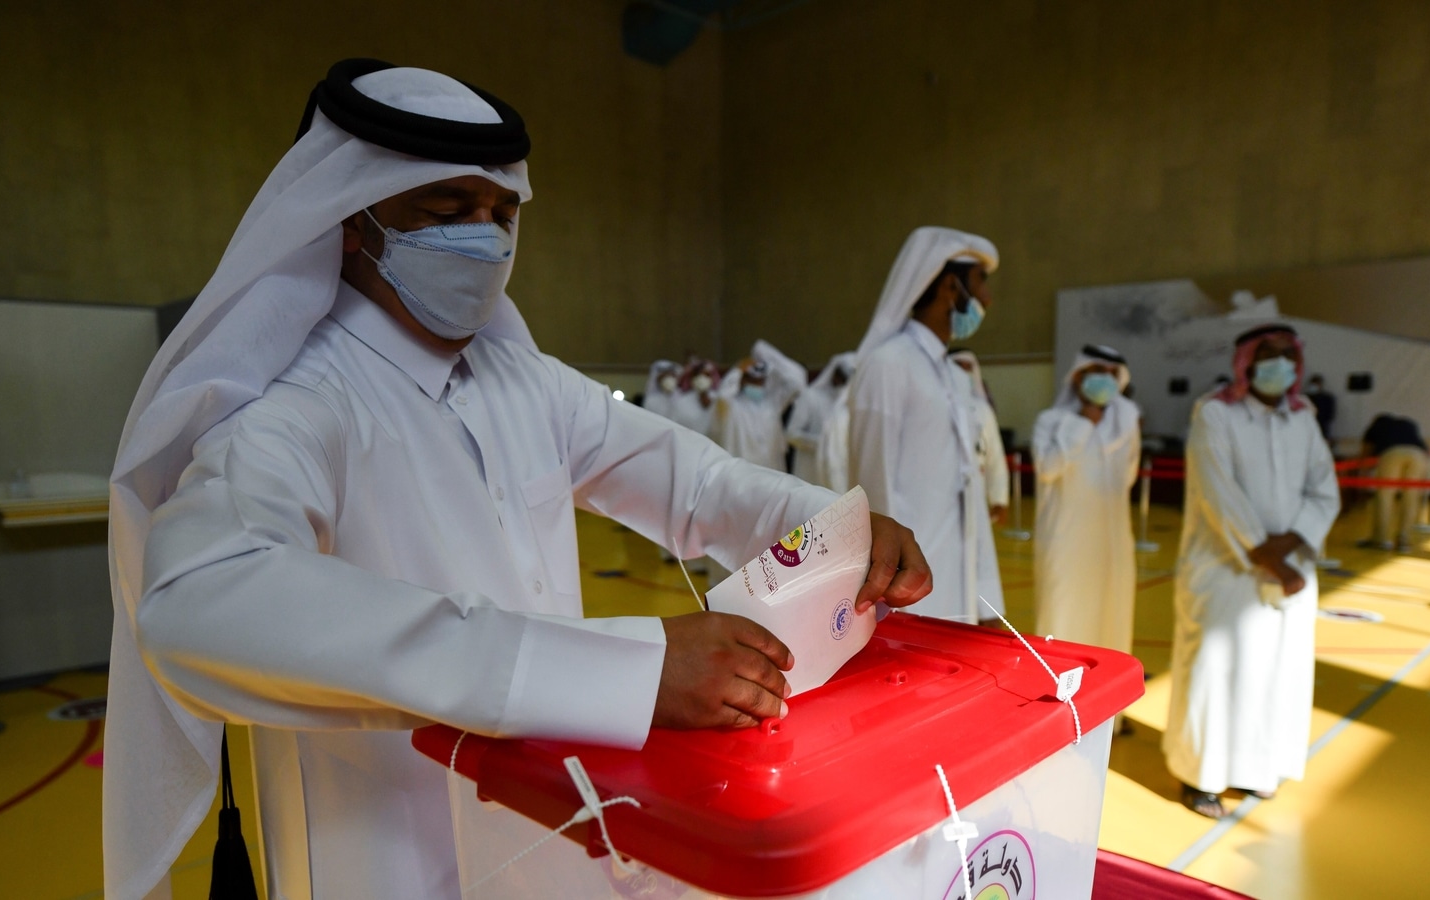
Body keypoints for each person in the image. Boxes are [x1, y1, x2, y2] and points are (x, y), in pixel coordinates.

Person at [103, 60, 932, 900]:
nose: (487, 237)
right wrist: (629, 670)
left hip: (551, 826)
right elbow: (198, 597)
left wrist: (838, 530)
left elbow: (696, 483)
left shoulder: (523, 383)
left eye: (503, 213)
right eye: (448, 212)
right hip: (387, 848)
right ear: (353, 222)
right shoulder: (301, 410)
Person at [1162, 324, 1339, 819]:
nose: (1278, 364)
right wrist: (1267, 555)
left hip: (1291, 569)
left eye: (1288, 356)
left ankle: (1256, 770)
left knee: (1275, 673)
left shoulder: (1304, 419)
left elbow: (1323, 488)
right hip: (1226, 569)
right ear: (1245, 362)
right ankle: (1201, 776)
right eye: (1267, 355)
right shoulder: (1215, 413)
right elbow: (1219, 494)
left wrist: (1291, 546)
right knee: (1217, 672)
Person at [848, 226, 1002, 624]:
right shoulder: (888, 365)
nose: (987, 298)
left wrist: (986, 598)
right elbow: (872, 494)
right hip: (906, 597)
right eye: (981, 283)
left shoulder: (953, 375)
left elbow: (969, 491)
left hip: (957, 585)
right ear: (953, 287)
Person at [1031, 345, 1141, 656]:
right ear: (1078, 377)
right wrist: (1082, 424)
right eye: (1098, 373)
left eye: (1111, 374)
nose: (1105, 380)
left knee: (1112, 616)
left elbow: (1128, 477)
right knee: (1063, 616)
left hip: (1112, 544)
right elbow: (1048, 469)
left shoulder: (1126, 424)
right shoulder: (1051, 421)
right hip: (1065, 543)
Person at [714, 341, 807, 471]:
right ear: (743, 380)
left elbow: (797, 381)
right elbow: (722, 395)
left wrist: (764, 352)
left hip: (771, 471)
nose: (758, 385)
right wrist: (739, 369)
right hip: (741, 475)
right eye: (753, 380)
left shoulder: (772, 404)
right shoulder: (731, 406)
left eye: (761, 381)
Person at [949, 349, 1010, 525]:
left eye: (969, 367)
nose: (964, 371)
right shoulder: (936, 404)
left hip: (976, 494)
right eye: (959, 366)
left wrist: (999, 499)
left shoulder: (984, 410)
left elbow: (995, 456)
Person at [1360, 413, 1430, 551]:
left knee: (1385, 497)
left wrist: (1363, 469)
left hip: (1392, 453)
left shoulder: (1377, 426)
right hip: (1418, 455)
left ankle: (1380, 539)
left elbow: (1366, 450)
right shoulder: (1408, 423)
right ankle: (1403, 539)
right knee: (1411, 497)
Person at [784, 353, 855, 489]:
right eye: (841, 377)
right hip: (809, 470)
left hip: (838, 472)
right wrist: (822, 444)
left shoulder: (848, 402)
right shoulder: (811, 396)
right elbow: (791, 433)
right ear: (833, 374)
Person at [670, 356, 720, 437]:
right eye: (698, 375)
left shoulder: (718, 399)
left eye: (706, 375)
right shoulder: (682, 401)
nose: (702, 378)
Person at [1305, 374, 1337, 441]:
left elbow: (1330, 414)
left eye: (1316, 384)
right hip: (1307, 427)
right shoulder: (1305, 398)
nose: (1314, 386)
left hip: (1322, 427)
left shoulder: (1327, 398)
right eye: (1312, 384)